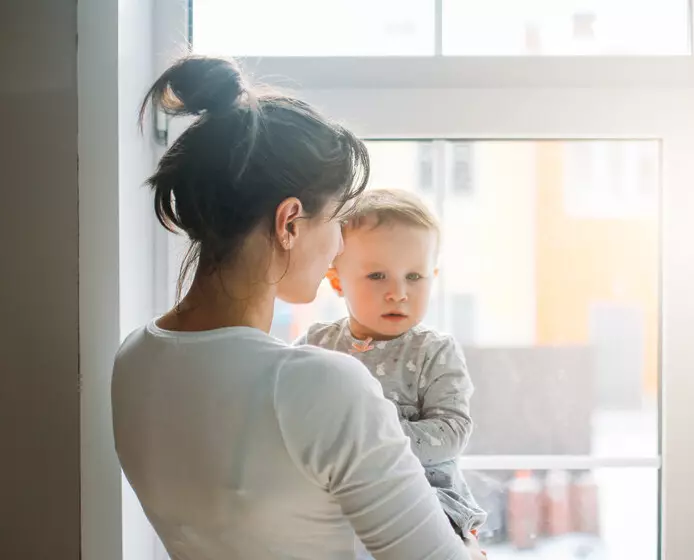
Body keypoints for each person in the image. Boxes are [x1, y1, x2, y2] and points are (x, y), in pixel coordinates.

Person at [111, 55, 485, 560]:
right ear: (290, 222)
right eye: (336, 221)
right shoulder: (319, 385)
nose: (336, 248)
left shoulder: (133, 359)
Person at [295, 189, 486, 559]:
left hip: (424, 496)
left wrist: (373, 436)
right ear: (336, 280)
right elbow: (291, 413)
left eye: (414, 276)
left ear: (433, 276)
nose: (398, 292)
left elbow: (452, 434)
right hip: (335, 495)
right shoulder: (316, 344)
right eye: (377, 275)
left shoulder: (434, 351)